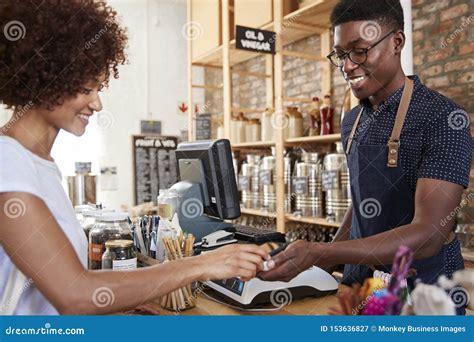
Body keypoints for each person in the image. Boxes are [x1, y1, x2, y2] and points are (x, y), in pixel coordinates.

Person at [0, 0, 270, 315]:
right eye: (86, 88)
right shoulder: (8, 162)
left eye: (98, 87)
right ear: (44, 76)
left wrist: (132, 293)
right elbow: (76, 294)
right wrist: (202, 264)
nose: (97, 103)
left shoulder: (37, 164)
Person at [259, 0, 472, 314]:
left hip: (425, 288)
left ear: (397, 42)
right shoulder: (351, 121)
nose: (347, 65)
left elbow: (429, 234)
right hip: (363, 282)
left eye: (359, 50)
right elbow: (360, 203)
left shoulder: (443, 118)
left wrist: (320, 253)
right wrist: (328, 258)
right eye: (341, 54)